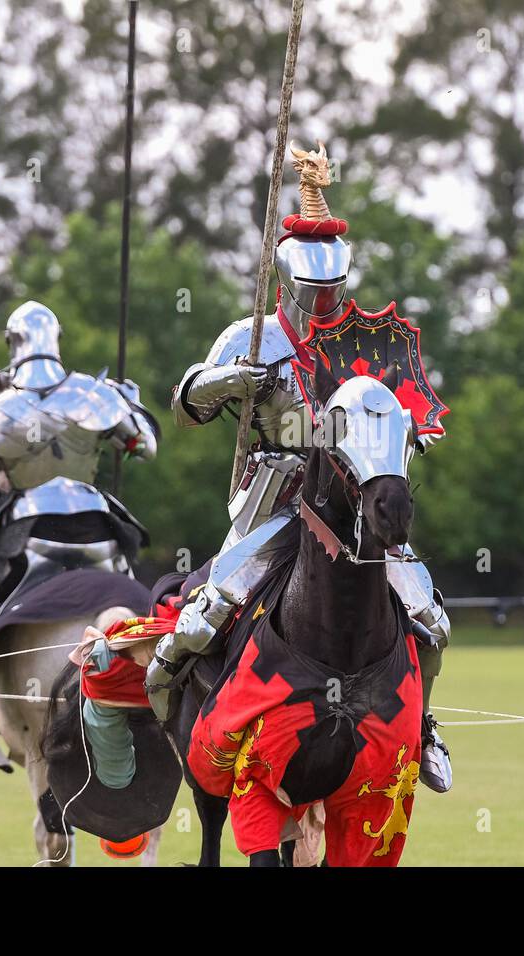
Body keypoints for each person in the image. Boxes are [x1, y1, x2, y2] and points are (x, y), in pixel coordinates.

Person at [144, 142, 454, 793]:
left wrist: (408, 441)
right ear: (288, 282)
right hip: (276, 497)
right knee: (211, 608)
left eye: (334, 289)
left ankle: (421, 728)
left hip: (354, 500)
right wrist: (235, 377)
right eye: (315, 290)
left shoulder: (367, 346)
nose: (325, 301)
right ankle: (176, 695)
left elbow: (403, 418)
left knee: (428, 613)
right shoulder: (252, 335)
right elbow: (184, 405)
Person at [0, 300, 158, 782]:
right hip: (100, 534)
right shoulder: (95, 395)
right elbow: (144, 447)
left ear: (13, 345)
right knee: (131, 605)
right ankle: (158, 688)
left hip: (30, 538)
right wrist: (129, 399)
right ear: (56, 339)